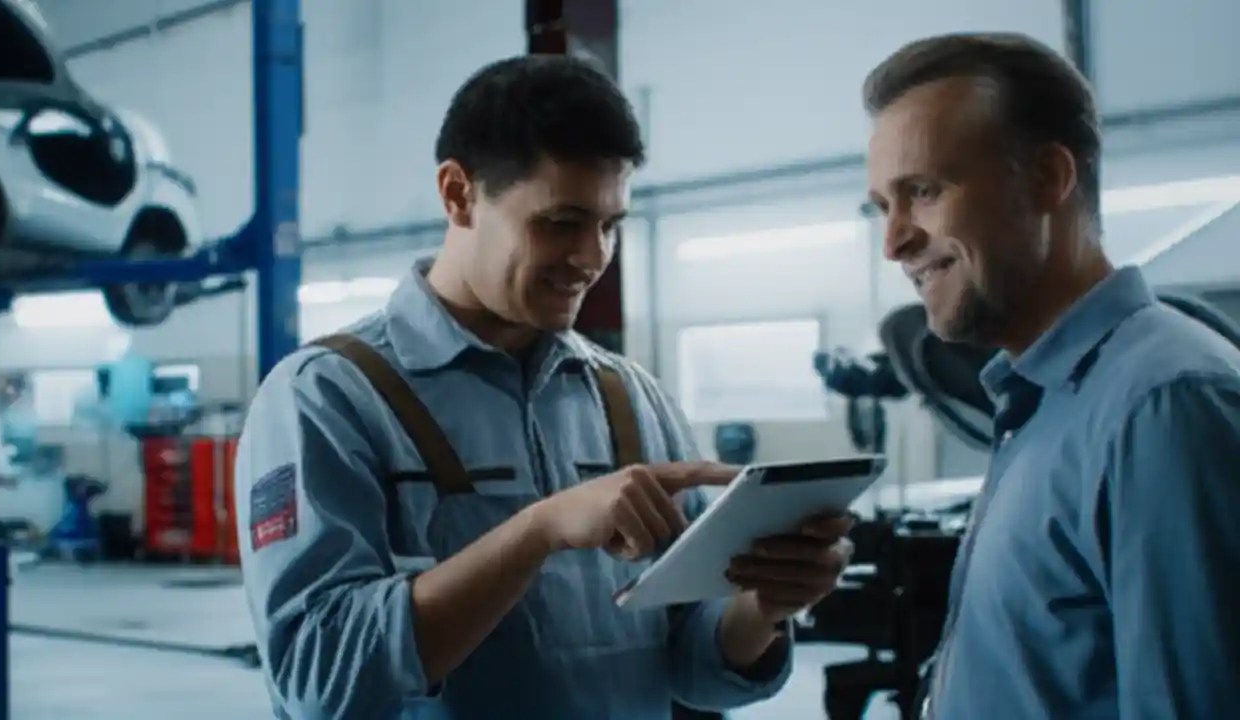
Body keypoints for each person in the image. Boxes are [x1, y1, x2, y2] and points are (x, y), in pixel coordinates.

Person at [234, 54, 855, 720]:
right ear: (458, 194)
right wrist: (537, 531)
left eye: (610, 226)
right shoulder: (328, 399)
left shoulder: (629, 399)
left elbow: (693, 667)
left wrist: (760, 607)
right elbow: (319, 678)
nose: (592, 259)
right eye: (561, 223)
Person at [862, 32, 1240, 719]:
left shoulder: (1161, 405)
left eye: (923, 191)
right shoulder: (1042, 401)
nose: (894, 242)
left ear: (1047, 179)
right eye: (881, 207)